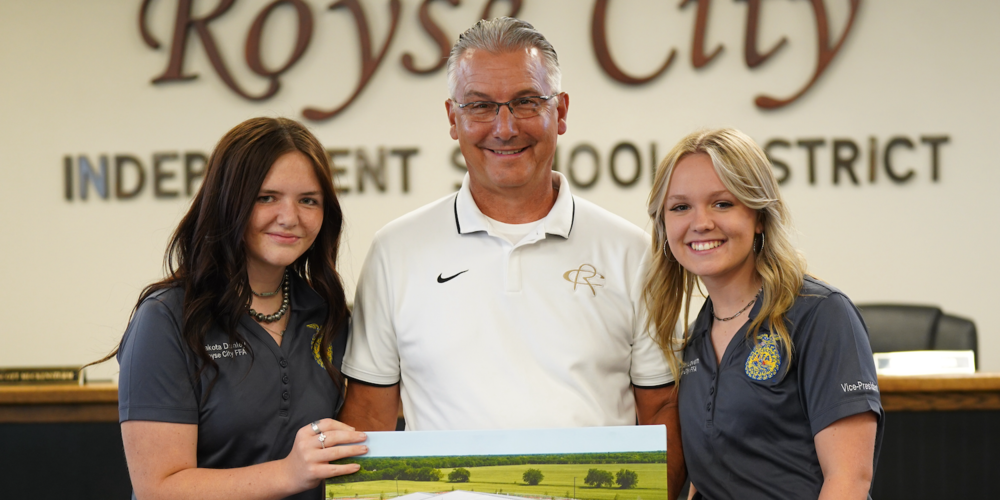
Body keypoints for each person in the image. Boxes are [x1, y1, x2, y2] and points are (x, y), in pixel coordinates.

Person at [339, 17, 685, 500]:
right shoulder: (395, 250)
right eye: (479, 106)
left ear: (560, 112)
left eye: (526, 102)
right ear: (452, 117)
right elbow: (369, 419)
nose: (504, 128)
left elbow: (661, 412)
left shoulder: (630, 251)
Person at [110, 117, 367, 500]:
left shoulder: (327, 313)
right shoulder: (166, 319)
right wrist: (287, 473)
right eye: (266, 197)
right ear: (228, 200)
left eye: (308, 200)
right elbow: (158, 489)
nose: (290, 217)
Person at [645, 128, 883, 500]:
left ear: (758, 215)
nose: (701, 222)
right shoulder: (694, 338)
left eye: (722, 203)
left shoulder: (821, 315)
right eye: (680, 207)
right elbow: (707, 476)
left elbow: (849, 481)